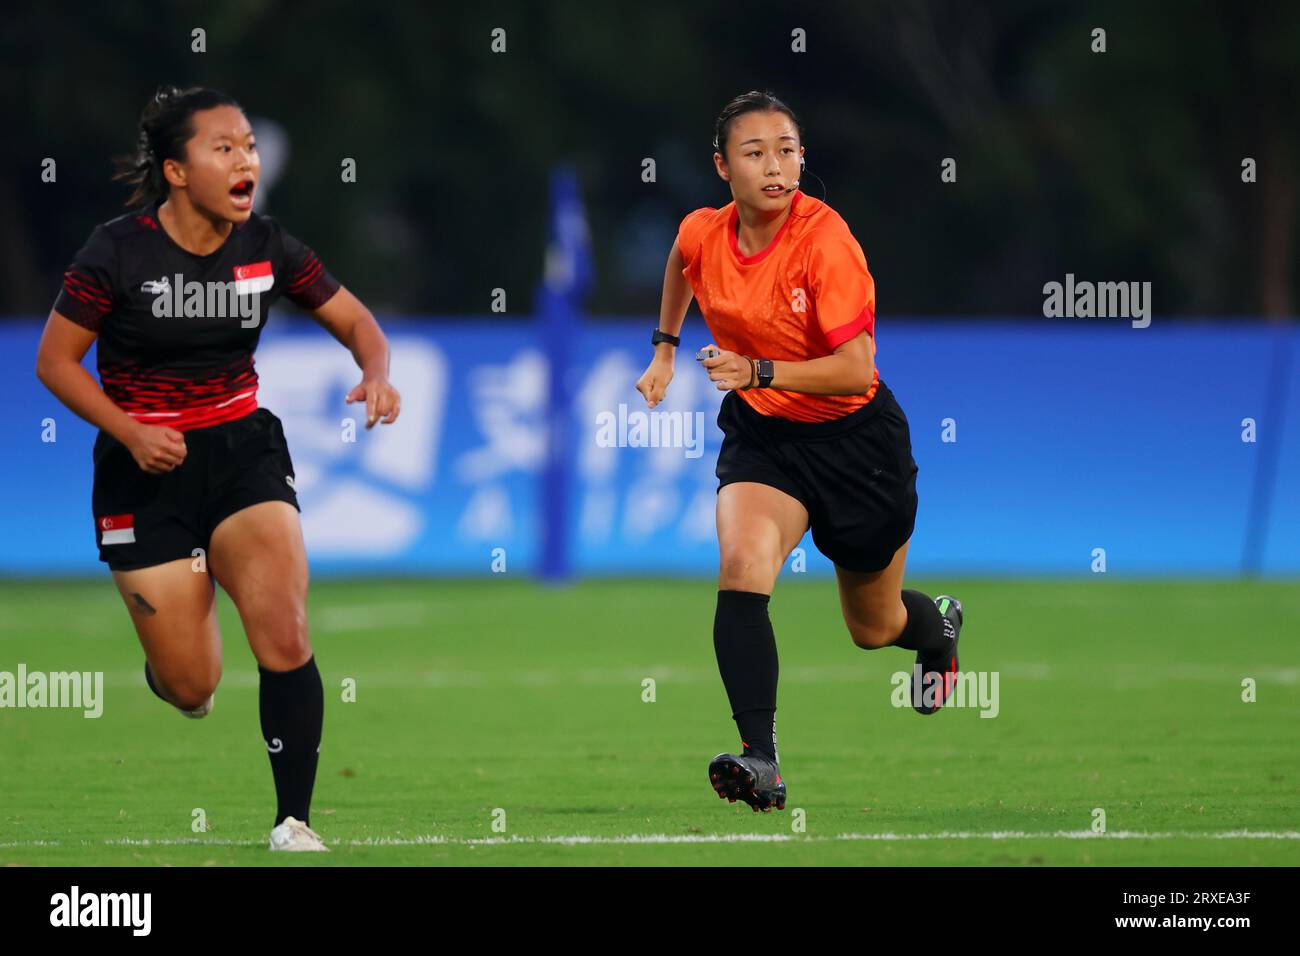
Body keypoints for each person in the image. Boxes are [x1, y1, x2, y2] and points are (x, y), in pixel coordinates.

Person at [34, 85, 401, 850]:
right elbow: (56, 364)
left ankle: (293, 819)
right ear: (175, 170)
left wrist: (374, 371)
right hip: (143, 469)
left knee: (285, 633)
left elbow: (355, 319)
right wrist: (130, 430)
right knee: (192, 683)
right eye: (223, 148)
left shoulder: (265, 245)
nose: (246, 161)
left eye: (250, 147)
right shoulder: (116, 251)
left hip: (243, 453)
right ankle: (172, 676)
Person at [635, 91, 963, 813]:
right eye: (755, 153)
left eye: (787, 150)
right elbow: (682, 264)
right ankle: (762, 761)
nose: (775, 166)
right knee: (742, 569)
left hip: (857, 445)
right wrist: (664, 349)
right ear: (724, 167)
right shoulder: (702, 232)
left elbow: (855, 368)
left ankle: (938, 630)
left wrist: (757, 370)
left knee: (872, 628)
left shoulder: (826, 241)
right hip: (766, 440)